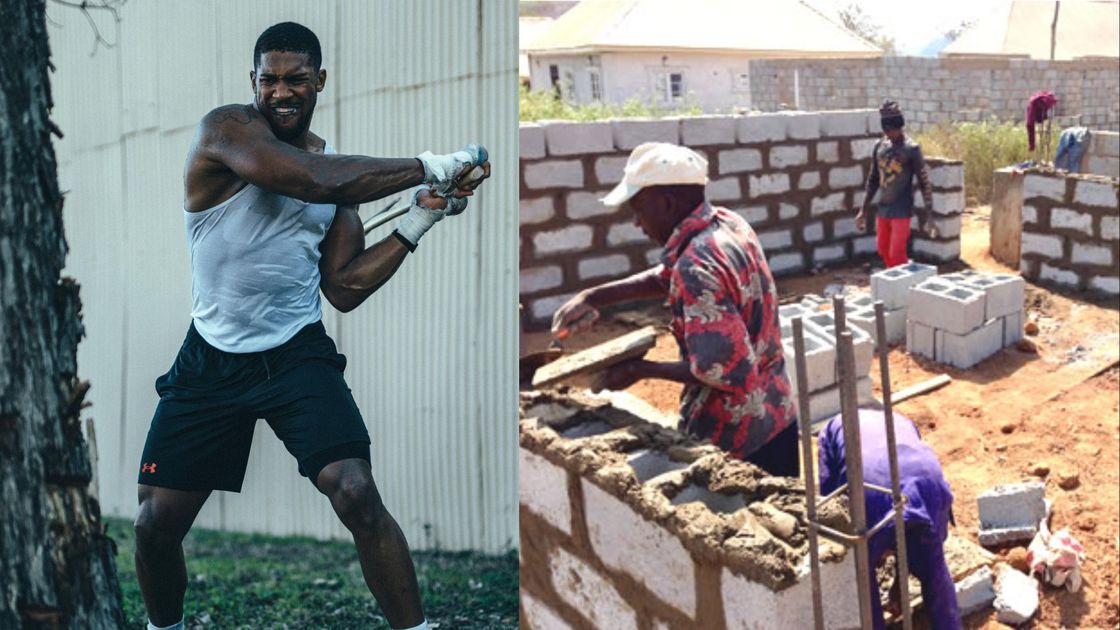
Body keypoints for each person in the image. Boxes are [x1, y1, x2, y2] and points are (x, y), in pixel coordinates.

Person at [133, 22, 489, 630]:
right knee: (154, 525)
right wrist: (432, 165)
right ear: (252, 83)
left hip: (295, 356)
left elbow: (344, 288)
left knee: (356, 492)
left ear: (319, 80)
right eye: (268, 80)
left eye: (295, 79)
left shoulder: (338, 179)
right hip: (211, 358)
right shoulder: (227, 131)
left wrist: (419, 219)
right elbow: (305, 177)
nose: (280, 92)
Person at [551, 142, 799, 477]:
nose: (637, 222)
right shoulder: (728, 224)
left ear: (666, 203)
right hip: (778, 415)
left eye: (638, 209)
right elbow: (670, 275)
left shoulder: (696, 265)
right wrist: (594, 296)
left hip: (738, 441)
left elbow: (728, 370)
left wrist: (640, 369)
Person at [817, 409, 960, 630]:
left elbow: (831, 505)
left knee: (863, 575)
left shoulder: (829, 432)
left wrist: (862, 548)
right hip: (928, 483)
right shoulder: (900, 420)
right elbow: (910, 524)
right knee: (933, 568)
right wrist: (899, 584)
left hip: (871, 490)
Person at [855, 101, 937, 269]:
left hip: (902, 209)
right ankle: (894, 278)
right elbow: (873, 179)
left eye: (892, 130)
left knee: (897, 253)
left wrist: (929, 215)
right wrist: (863, 209)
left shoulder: (911, 149)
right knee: (883, 249)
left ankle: (901, 281)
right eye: (886, 131)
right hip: (883, 208)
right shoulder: (879, 146)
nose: (889, 134)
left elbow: (924, 182)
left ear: (900, 127)